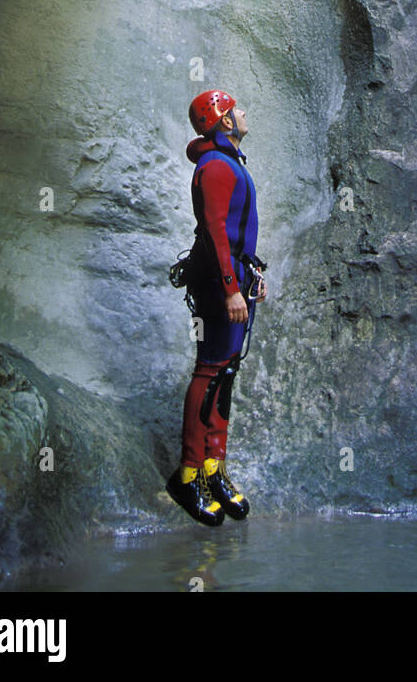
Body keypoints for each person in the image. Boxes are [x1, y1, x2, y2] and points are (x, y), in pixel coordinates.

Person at [165, 89, 266, 527]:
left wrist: (251, 273)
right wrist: (229, 289)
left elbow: (235, 234)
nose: (244, 113)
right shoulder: (216, 167)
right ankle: (187, 474)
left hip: (232, 279)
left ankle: (212, 469)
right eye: (237, 108)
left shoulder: (228, 163)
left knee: (224, 370)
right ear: (225, 121)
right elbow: (214, 233)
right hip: (216, 284)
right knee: (208, 370)